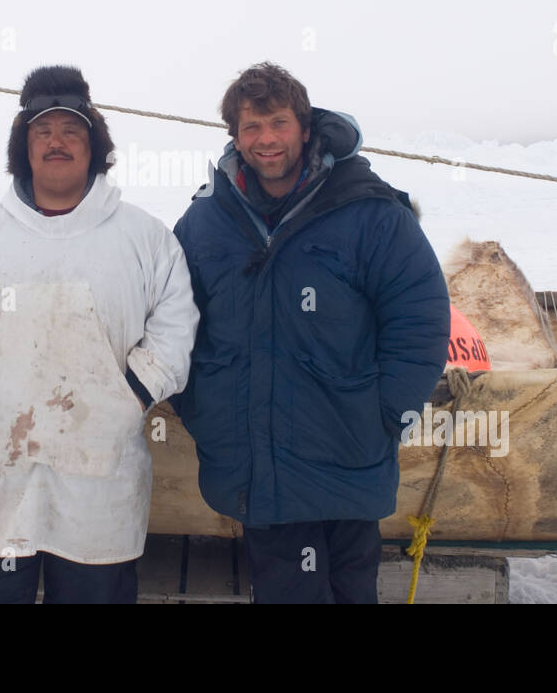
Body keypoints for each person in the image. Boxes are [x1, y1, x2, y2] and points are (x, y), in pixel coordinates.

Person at [171, 62, 450, 603]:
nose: (266, 139)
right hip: (256, 459)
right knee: (285, 590)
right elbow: (173, 319)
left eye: (277, 123)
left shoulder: (370, 212)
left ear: (304, 126)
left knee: (350, 589)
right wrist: (202, 409)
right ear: (235, 136)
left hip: (348, 448)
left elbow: (419, 319)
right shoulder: (205, 220)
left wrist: (387, 414)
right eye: (251, 127)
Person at [0, 65, 198, 604]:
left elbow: (175, 324)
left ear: (94, 146)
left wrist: (132, 394)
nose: (56, 143)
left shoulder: (144, 237)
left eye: (72, 131)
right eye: (42, 132)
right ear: (22, 148)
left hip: (101, 477)